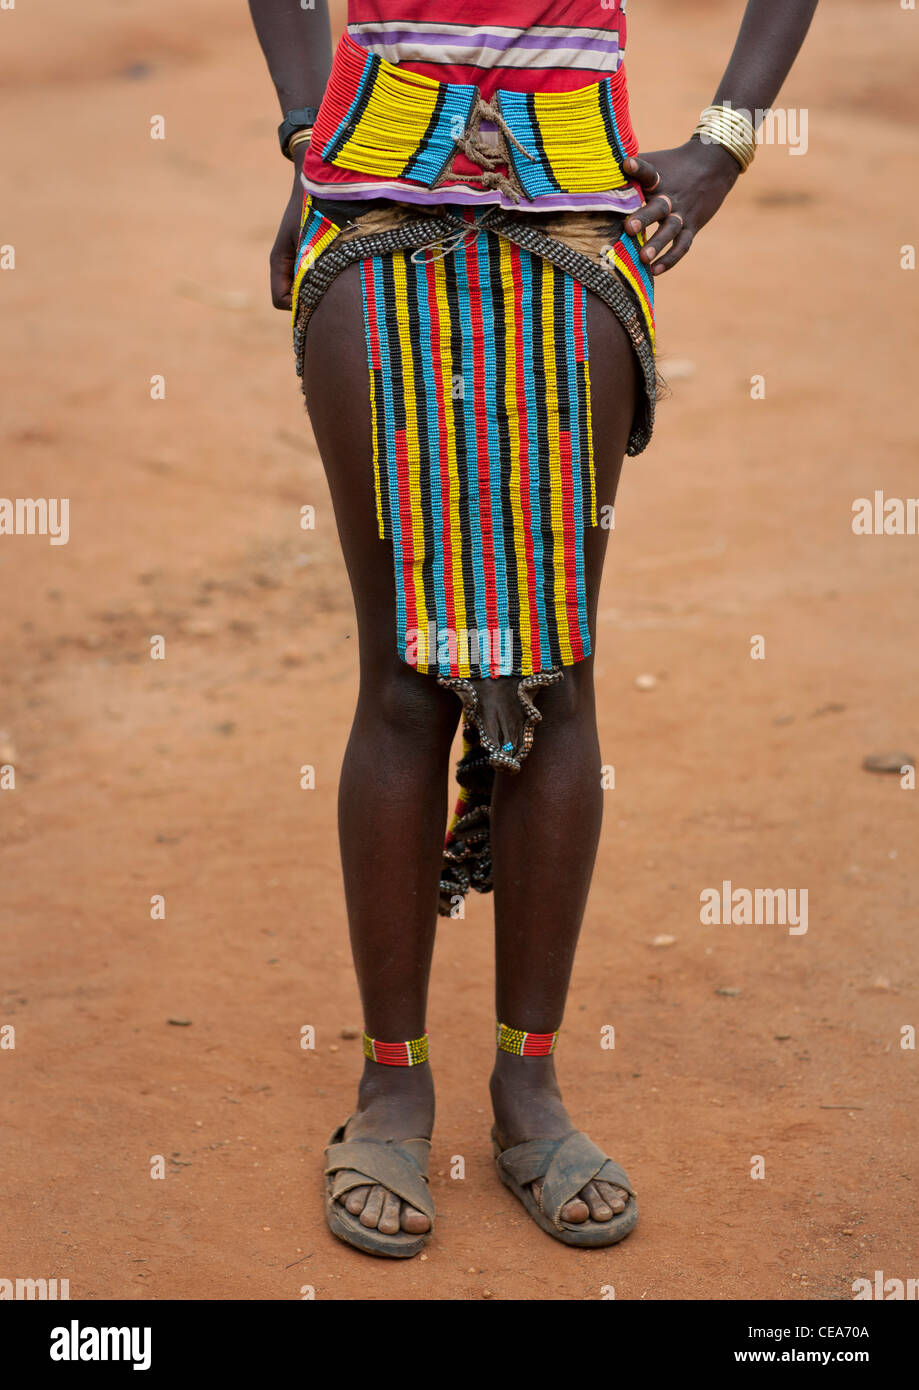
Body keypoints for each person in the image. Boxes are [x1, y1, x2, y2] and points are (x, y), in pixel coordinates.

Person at [249, 0, 819, 1256]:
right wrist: (307, 129)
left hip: (574, 215)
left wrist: (723, 140)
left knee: (554, 677)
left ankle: (530, 1082)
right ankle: (391, 1085)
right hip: (373, 201)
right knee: (403, 677)